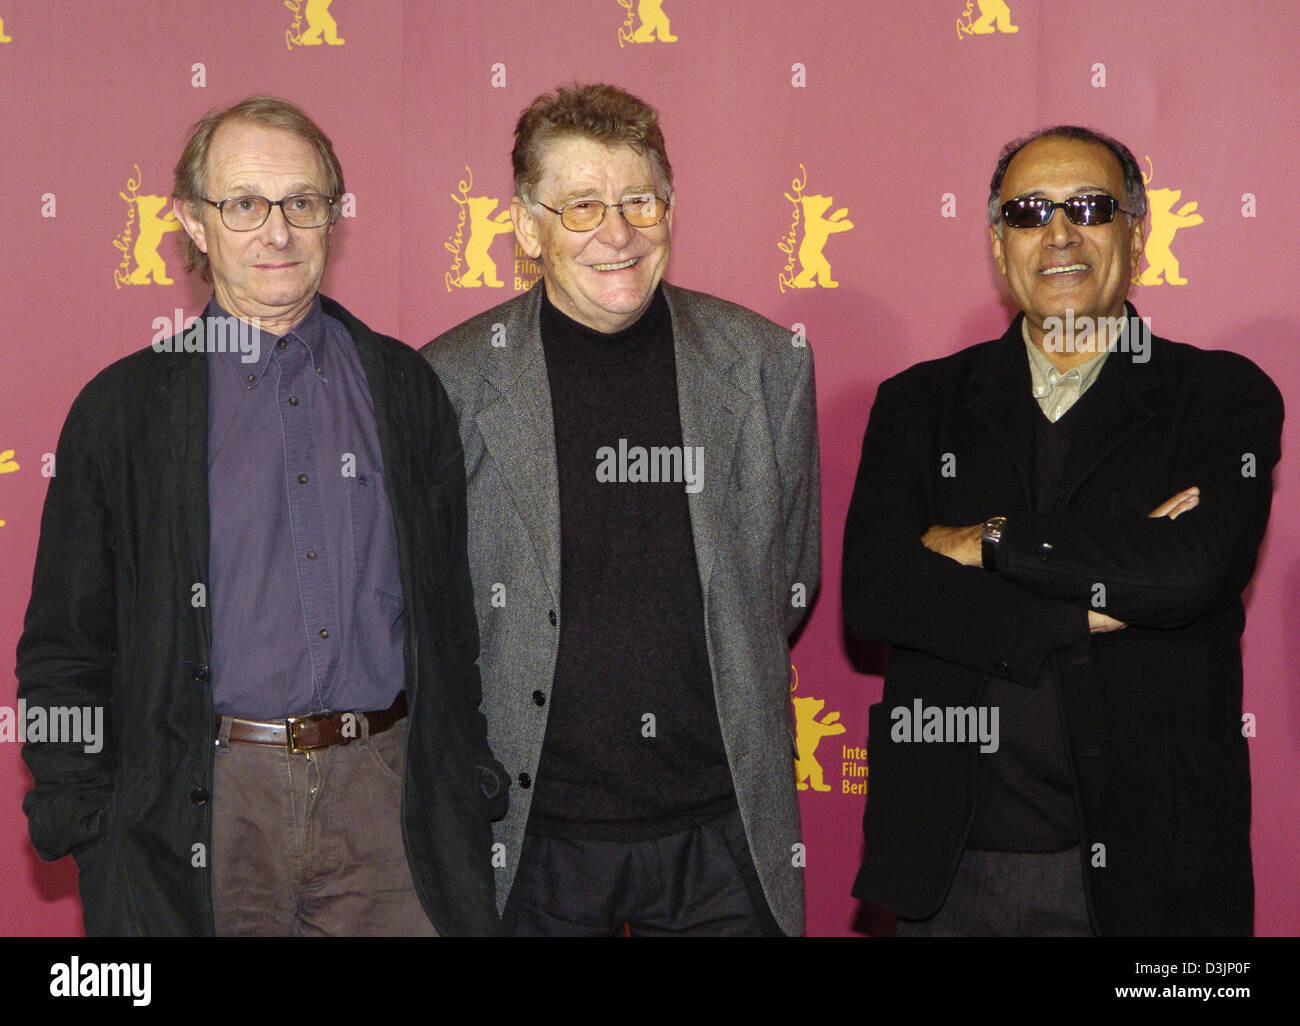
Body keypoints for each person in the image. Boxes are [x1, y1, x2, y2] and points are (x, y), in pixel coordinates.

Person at [16, 95, 507, 936]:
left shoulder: (404, 389)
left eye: (302, 203)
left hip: (388, 806)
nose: (276, 231)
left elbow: (453, 622)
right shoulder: (122, 412)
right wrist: (93, 823)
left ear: (331, 218)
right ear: (194, 225)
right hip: (199, 809)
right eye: (243, 204)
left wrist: (465, 775)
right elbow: (67, 642)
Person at [843, 125, 1283, 936]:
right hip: (952, 872)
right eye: (1028, 213)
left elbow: (1192, 570)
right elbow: (877, 593)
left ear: (1135, 230)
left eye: (1088, 207)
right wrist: (1086, 603)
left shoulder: (1219, 395)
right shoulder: (919, 403)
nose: (1059, 235)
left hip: (1158, 875)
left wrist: (988, 541)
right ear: (997, 241)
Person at [422, 83, 820, 936]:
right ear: (526, 227)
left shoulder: (762, 365)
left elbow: (788, 579)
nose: (618, 232)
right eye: (582, 207)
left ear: (670, 209)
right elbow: (435, 619)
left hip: (725, 828)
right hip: (531, 838)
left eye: (640, 200)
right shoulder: (449, 382)